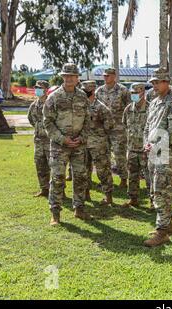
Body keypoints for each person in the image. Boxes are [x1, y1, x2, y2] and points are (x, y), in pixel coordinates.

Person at [43, 63, 90, 225]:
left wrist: (81, 137)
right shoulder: (54, 97)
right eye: (66, 76)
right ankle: (55, 213)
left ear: (77, 78)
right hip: (59, 146)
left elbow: (88, 121)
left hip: (78, 145)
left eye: (72, 76)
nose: (69, 79)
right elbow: (47, 123)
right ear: (62, 77)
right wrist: (62, 139)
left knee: (80, 177)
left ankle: (79, 209)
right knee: (57, 178)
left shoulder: (83, 97)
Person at [143, 68, 172, 247]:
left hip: (166, 153)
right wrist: (147, 142)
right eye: (152, 82)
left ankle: (162, 232)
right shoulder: (154, 101)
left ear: (166, 82)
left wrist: (156, 144)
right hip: (153, 152)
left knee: (162, 191)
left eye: (157, 82)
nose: (154, 85)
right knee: (155, 190)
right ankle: (167, 225)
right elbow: (148, 125)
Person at [95, 68, 131, 188]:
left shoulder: (123, 90)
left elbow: (129, 108)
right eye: (104, 75)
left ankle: (123, 179)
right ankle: (106, 180)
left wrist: (126, 125)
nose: (106, 77)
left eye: (108, 75)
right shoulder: (99, 91)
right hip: (103, 129)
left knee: (119, 155)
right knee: (103, 155)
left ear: (114, 76)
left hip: (118, 129)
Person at [81, 80, 114, 205]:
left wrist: (98, 132)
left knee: (103, 171)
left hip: (98, 144)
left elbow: (109, 125)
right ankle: (86, 194)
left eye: (86, 91)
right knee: (84, 170)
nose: (83, 93)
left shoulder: (101, 107)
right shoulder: (80, 106)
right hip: (83, 143)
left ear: (92, 91)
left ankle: (108, 197)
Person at [122, 83, 152, 208]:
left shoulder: (151, 108)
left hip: (146, 150)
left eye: (136, 93)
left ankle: (153, 201)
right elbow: (125, 125)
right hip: (132, 148)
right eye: (132, 93)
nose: (133, 95)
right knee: (132, 176)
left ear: (143, 92)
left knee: (149, 177)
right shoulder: (128, 109)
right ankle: (133, 199)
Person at [28, 80, 51, 198]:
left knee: (54, 166)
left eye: (39, 87)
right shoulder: (34, 105)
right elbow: (31, 119)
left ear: (46, 90)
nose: (37, 89)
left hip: (50, 141)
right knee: (40, 165)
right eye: (36, 87)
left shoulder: (51, 103)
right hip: (38, 141)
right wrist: (39, 129)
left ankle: (59, 191)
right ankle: (44, 189)